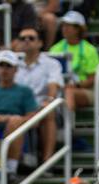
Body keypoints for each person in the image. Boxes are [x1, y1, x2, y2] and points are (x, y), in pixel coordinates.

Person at [0, 51, 37, 178]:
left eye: (8, 66)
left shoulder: (25, 91)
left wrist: (8, 118)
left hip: (13, 128)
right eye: (1, 65)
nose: (4, 70)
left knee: (15, 121)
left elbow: (33, 118)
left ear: (16, 69)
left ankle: (10, 169)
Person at [14, 23, 62, 160]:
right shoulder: (13, 64)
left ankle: (47, 161)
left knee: (49, 111)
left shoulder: (52, 64)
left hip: (42, 105)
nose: (26, 41)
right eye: (22, 38)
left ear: (40, 43)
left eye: (31, 38)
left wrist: (46, 103)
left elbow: (53, 87)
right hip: (20, 106)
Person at [53, 11, 99, 114]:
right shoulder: (55, 48)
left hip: (84, 90)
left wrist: (76, 86)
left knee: (68, 92)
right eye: (63, 25)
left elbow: (93, 79)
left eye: (68, 26)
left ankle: (67, 127)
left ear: (78, 29)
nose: (64, 29)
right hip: (58, 88)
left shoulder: (90, 50)